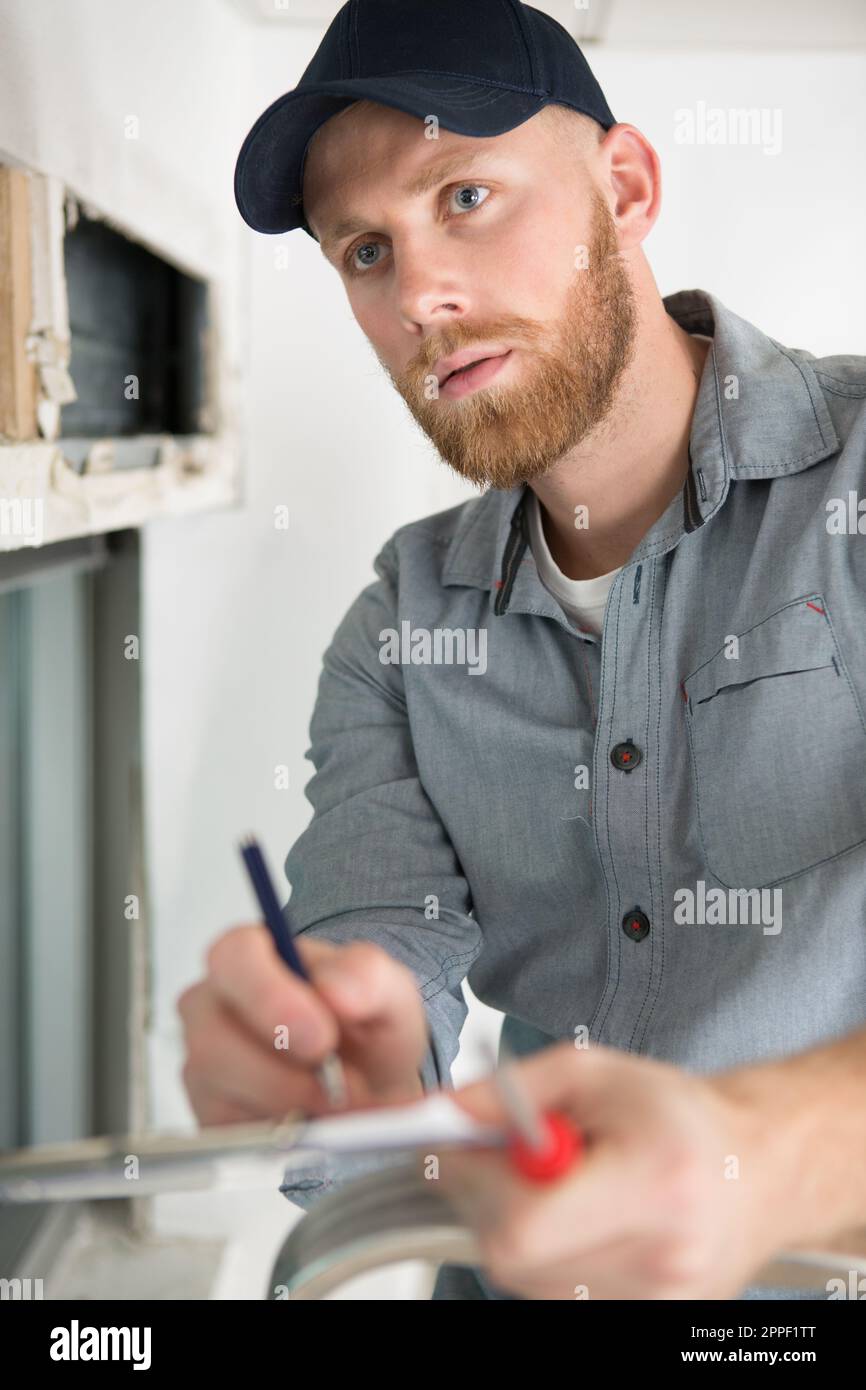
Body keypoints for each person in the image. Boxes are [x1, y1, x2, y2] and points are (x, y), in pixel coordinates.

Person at [179, 0, 866, 1299]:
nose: (419, 292)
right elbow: (379, 953)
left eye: (468, 194)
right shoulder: (400, 617)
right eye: (364, 249)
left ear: (624, 186)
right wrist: (336, 1055)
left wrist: (760, 1151)